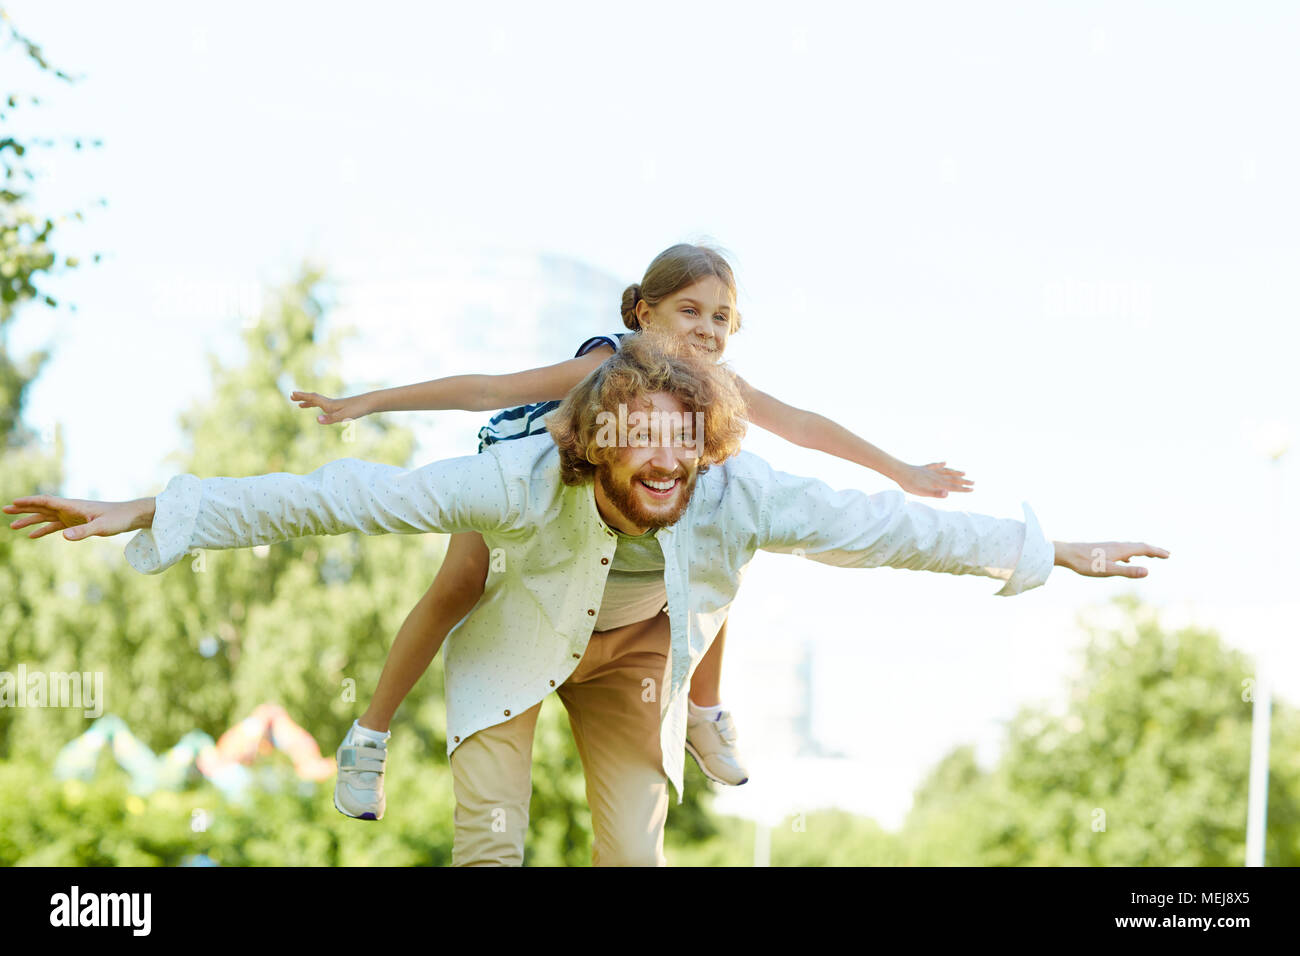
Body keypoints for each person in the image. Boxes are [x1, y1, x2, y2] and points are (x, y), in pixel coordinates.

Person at [5, 332, 1168, 866]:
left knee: (633, 850)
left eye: (684, 448)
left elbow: (891, 526)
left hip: (635, 658)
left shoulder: (732, 486)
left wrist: (1050, 547)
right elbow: (340, 496)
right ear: (598, 443)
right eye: (642, 447)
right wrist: (152, 508)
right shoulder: (517, 474)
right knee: (491, 841)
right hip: (517, 652)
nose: (665, 468)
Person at [288, 242, 976, 816]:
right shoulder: (607, 363)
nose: (708, 329)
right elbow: (494, 389)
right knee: (460, 585)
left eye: (722, 318)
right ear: (645, 312)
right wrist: (371, 401)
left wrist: (900, 470)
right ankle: (368, 735)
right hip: (525, 478)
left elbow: (801, 423)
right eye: (690, 311)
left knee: (717, 546)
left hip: (610, 501)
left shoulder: (718, 389)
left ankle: (704, 713)